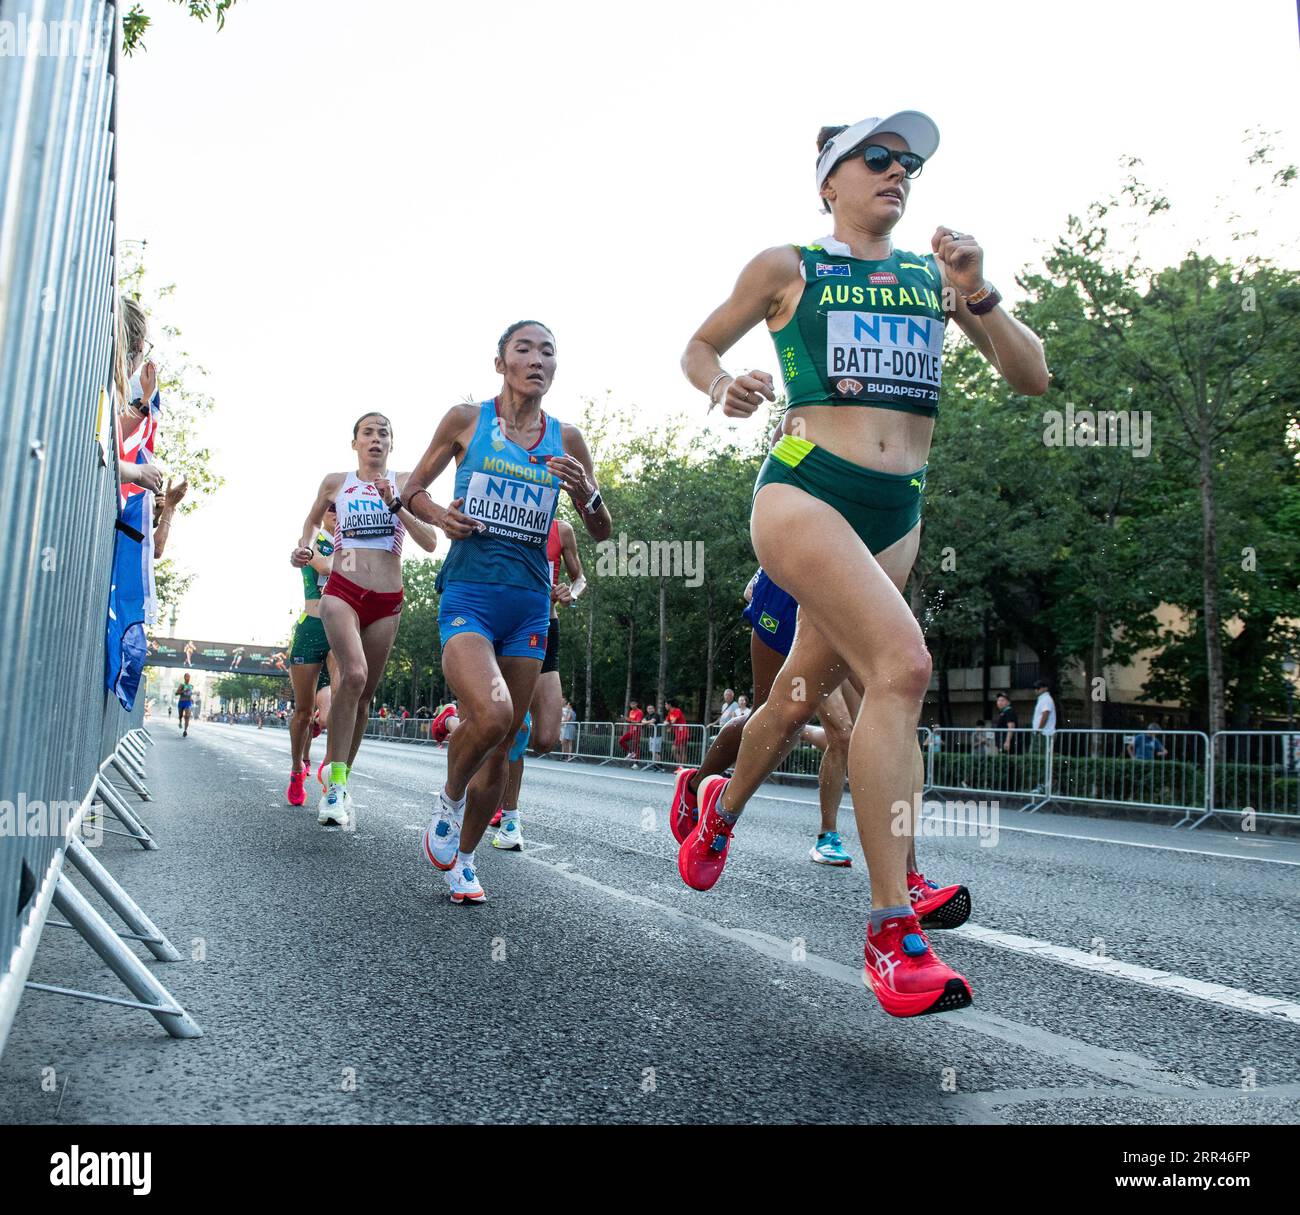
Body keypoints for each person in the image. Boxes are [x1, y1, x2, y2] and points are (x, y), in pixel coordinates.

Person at [678, 111, 1048, 1017]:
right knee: (905, 664)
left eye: (908, 162)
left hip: (897, 516)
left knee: (801, 695)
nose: (897, 171)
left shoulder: (935, 277)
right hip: (805, 491)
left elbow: (1033, 376)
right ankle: (895, 927)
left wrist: (981, 289)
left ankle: (716, 806)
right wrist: (721, 385)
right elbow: (699, 346)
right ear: (829, 183)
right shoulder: (788, 267)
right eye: (876, 158)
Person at [402, 320, 612, 904]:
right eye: (525, 349)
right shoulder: (467, 420)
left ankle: (464, 858)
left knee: (505, 745)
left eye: (548, 351)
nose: (537, 360)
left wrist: (586, 495)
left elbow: (602, 529)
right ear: (500, 363)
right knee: (493, 715)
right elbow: (411, 490)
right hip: (470, 595)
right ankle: (449, 800)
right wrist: (442, 516)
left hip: (530, 612)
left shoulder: (566, 440)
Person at [292, 414, 440, 827]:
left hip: (387, 599)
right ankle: (334, 792)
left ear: (392, 443)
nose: (376, 440)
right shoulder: (335, 483)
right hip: (341, 591)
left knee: (364, 696)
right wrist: (303, 547)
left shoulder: (406, 481)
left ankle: (339, 775)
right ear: (354, 442)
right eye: (368, 433)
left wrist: (395, 501)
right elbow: (309, 523)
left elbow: (430, 542)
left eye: (383, 434)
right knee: (352, 675)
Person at [491, 516, 587, 849]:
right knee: (511, 733)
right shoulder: (501, 518)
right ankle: (510, 820)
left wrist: (570, 593)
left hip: (545, 630)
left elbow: (580, 578)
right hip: (506, 631)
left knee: (546, 738)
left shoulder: (562, 531)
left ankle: (511, 722)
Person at [286, 505, 337, 807]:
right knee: (303, 712)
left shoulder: (356, 541)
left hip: (338, 630)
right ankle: (296, 769)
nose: (335, 513)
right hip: (310, 628)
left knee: (332, 713)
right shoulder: (312, 539)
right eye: (330, 508)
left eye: (340, 508)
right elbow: (327, 567)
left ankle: (331, 769)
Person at [618, 700, 644, 766]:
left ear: (636, 704)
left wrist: (629, 720)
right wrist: (626, 719)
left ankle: (636, 763)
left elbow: (638, 722)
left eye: (634, 704)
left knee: (635, 746)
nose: (632, 705)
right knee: (621, 740)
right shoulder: (631, 711)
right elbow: (630, 720)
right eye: (631, 704)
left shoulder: (639, 712)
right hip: (631, 731)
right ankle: (630, 752)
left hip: (637, 731)